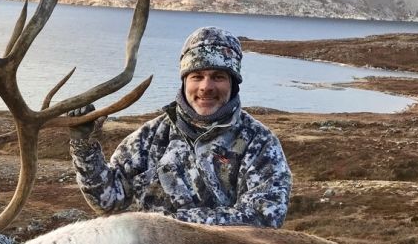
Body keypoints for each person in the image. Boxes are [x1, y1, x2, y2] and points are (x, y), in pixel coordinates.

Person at [68, 27, 291, 227]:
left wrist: (169, 226)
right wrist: (83, 148)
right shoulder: (149, 137)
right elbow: (108, 201)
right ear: (185, 81)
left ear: (233, 83)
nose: (206, 87)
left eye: (218, 77)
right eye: (197, 76)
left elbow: (264, 218)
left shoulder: (259, 143)